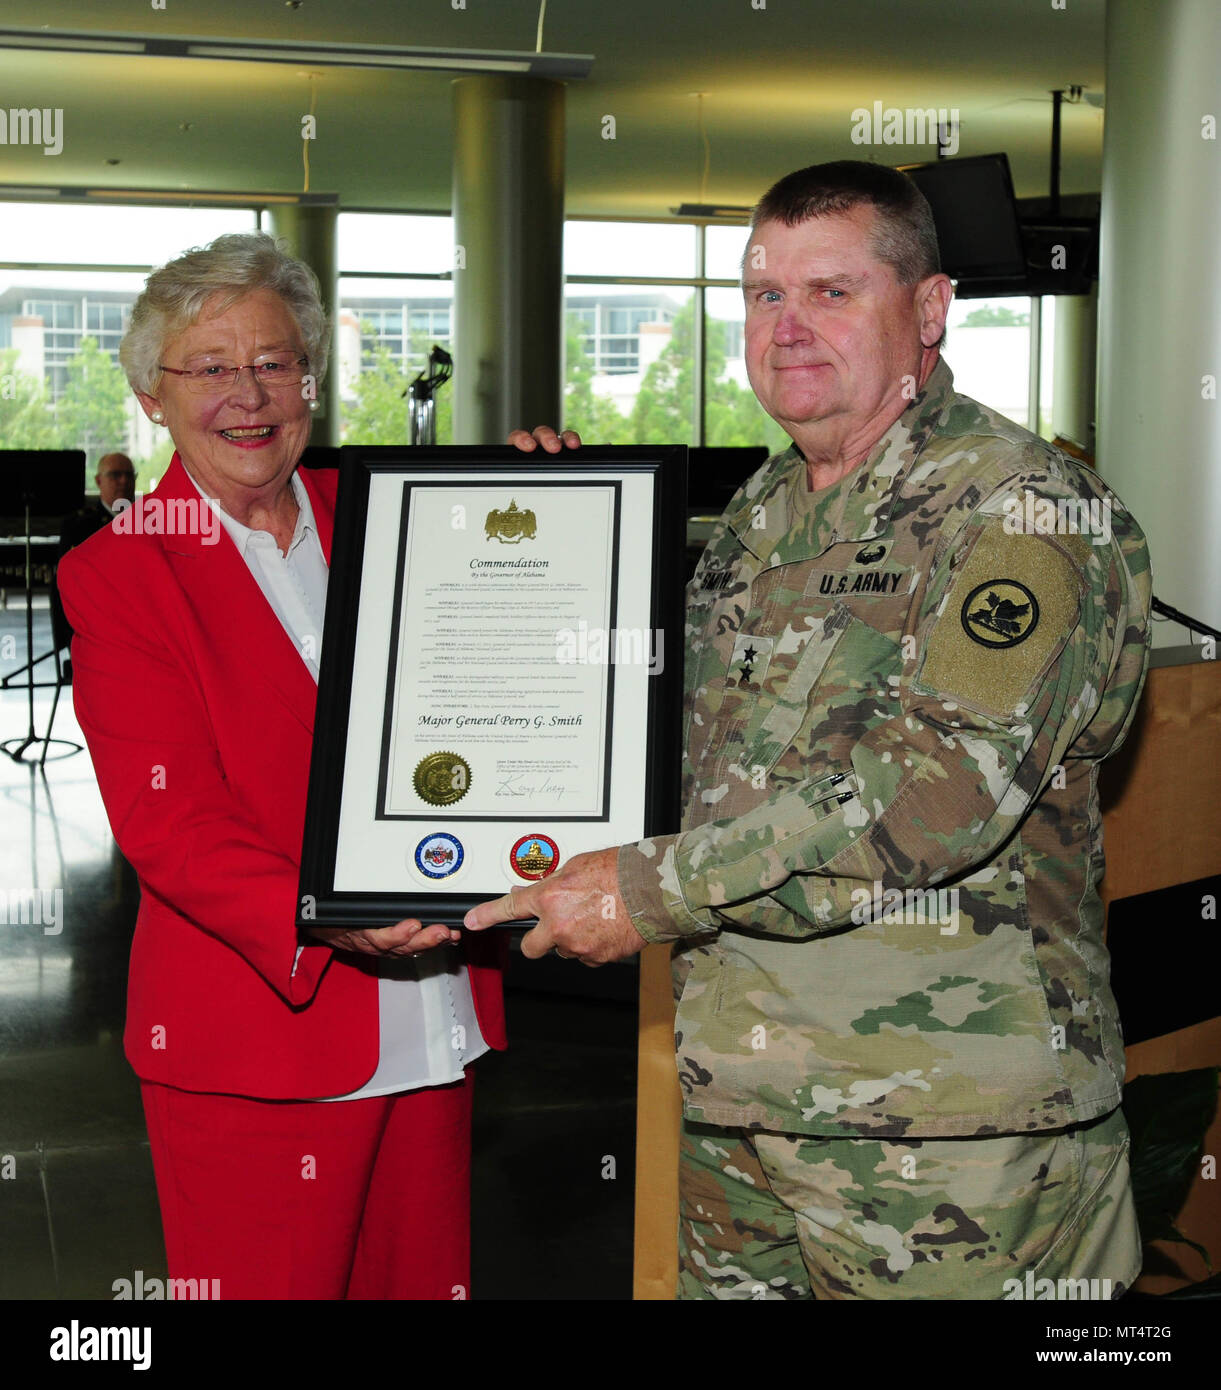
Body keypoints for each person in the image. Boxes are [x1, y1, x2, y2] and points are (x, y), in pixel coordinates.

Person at [476, 161, 1152, 1300]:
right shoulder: (765, 510)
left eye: (832, 292)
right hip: (743, 1104)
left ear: (929, 309)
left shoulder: (1021, 510)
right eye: (763, 294)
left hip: (951, 1140)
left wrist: (642, 895)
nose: (786, 327)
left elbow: (930, 801)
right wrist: (554, 546)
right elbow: (684, 743)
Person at [58, 232, 505, 1300]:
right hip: (262, 1036)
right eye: (210, 367)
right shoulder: (123, 571)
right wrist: (320, 909)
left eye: (274, 363)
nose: (248, 394)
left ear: (310, 378)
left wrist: (550, 502)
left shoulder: (390, 518)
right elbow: (174, 827)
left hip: (430, 1002)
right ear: (153, 395)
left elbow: (501, 672)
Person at [51, 453, 137, 667]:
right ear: (99, 481)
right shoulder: (79, 526)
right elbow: (65, 587)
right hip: (97, 631)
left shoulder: (150, 521)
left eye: (129, 475)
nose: (124, 481)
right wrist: (68, 640)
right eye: (115, 475)